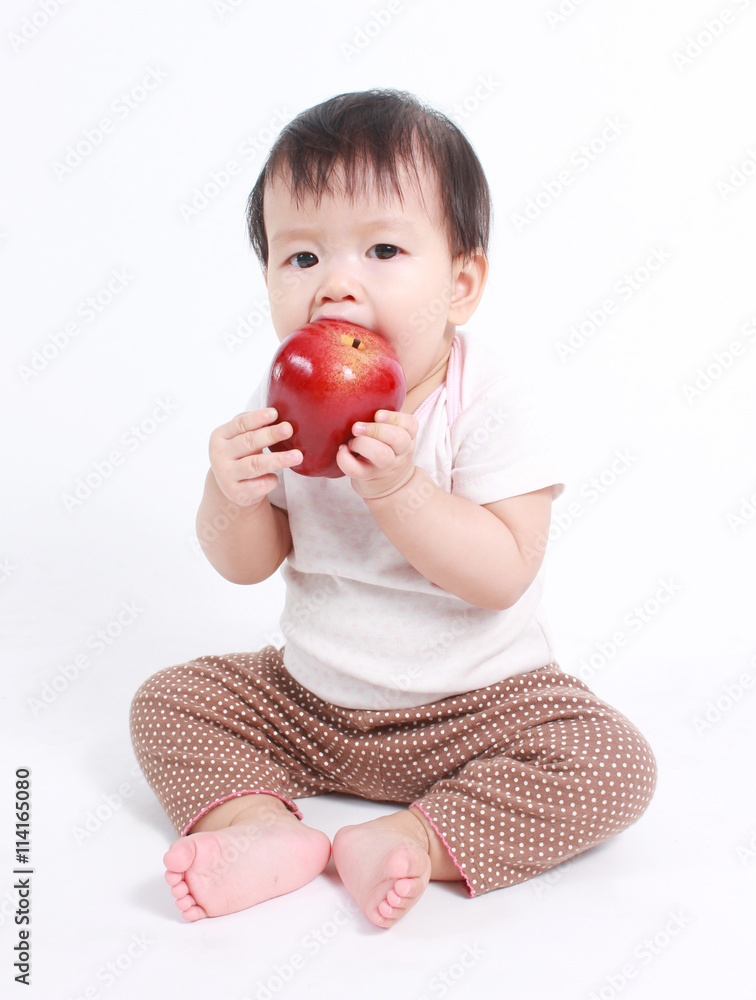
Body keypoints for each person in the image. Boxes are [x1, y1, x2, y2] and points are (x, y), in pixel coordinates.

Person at [130, 89, 657, 929]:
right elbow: (247, 563)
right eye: (301, 258)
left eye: (381, 248)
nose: (336, 286)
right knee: (171, 698)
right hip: (310, 702)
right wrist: (227, 494)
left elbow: (502, 574)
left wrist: (400, 491)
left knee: (611, 761)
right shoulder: (289, 393)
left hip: (482, 707)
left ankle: (417, 836)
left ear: (460, 282)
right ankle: (261, 829)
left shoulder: (488, 397)